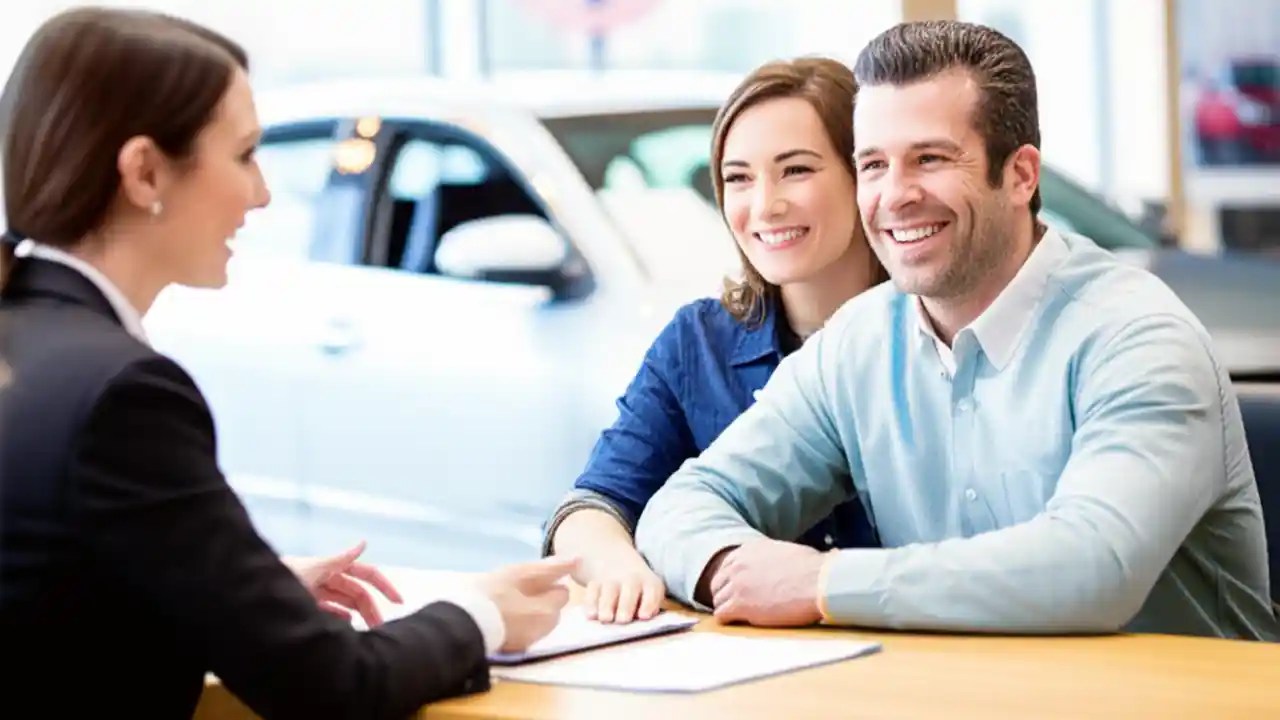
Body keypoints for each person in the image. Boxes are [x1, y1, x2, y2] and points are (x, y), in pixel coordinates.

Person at [0, 8, 576, 719]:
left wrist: (242, 592)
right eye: (244, 155)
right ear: (145, 172)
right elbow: (333, 687)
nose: (263, 193)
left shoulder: (28, 343)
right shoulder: (122, 393)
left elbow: (57, 593)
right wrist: (477, 613)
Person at [635, 20, 1279, 640]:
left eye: (931, 159)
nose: (895, 195)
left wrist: (822, 582)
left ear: (1021, 174)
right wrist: (735, 569)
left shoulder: (1137, 337)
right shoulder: (857, 343)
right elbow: (681, 507)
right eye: (873, 165)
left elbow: (1093, 567)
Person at [542, 57, 888, 624]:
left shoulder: (928, 334)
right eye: (738, 178)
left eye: (796, 170)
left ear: (863, 174)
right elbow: (592, 506)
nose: (764, 204)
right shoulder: (698, 342)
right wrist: (619, 567)